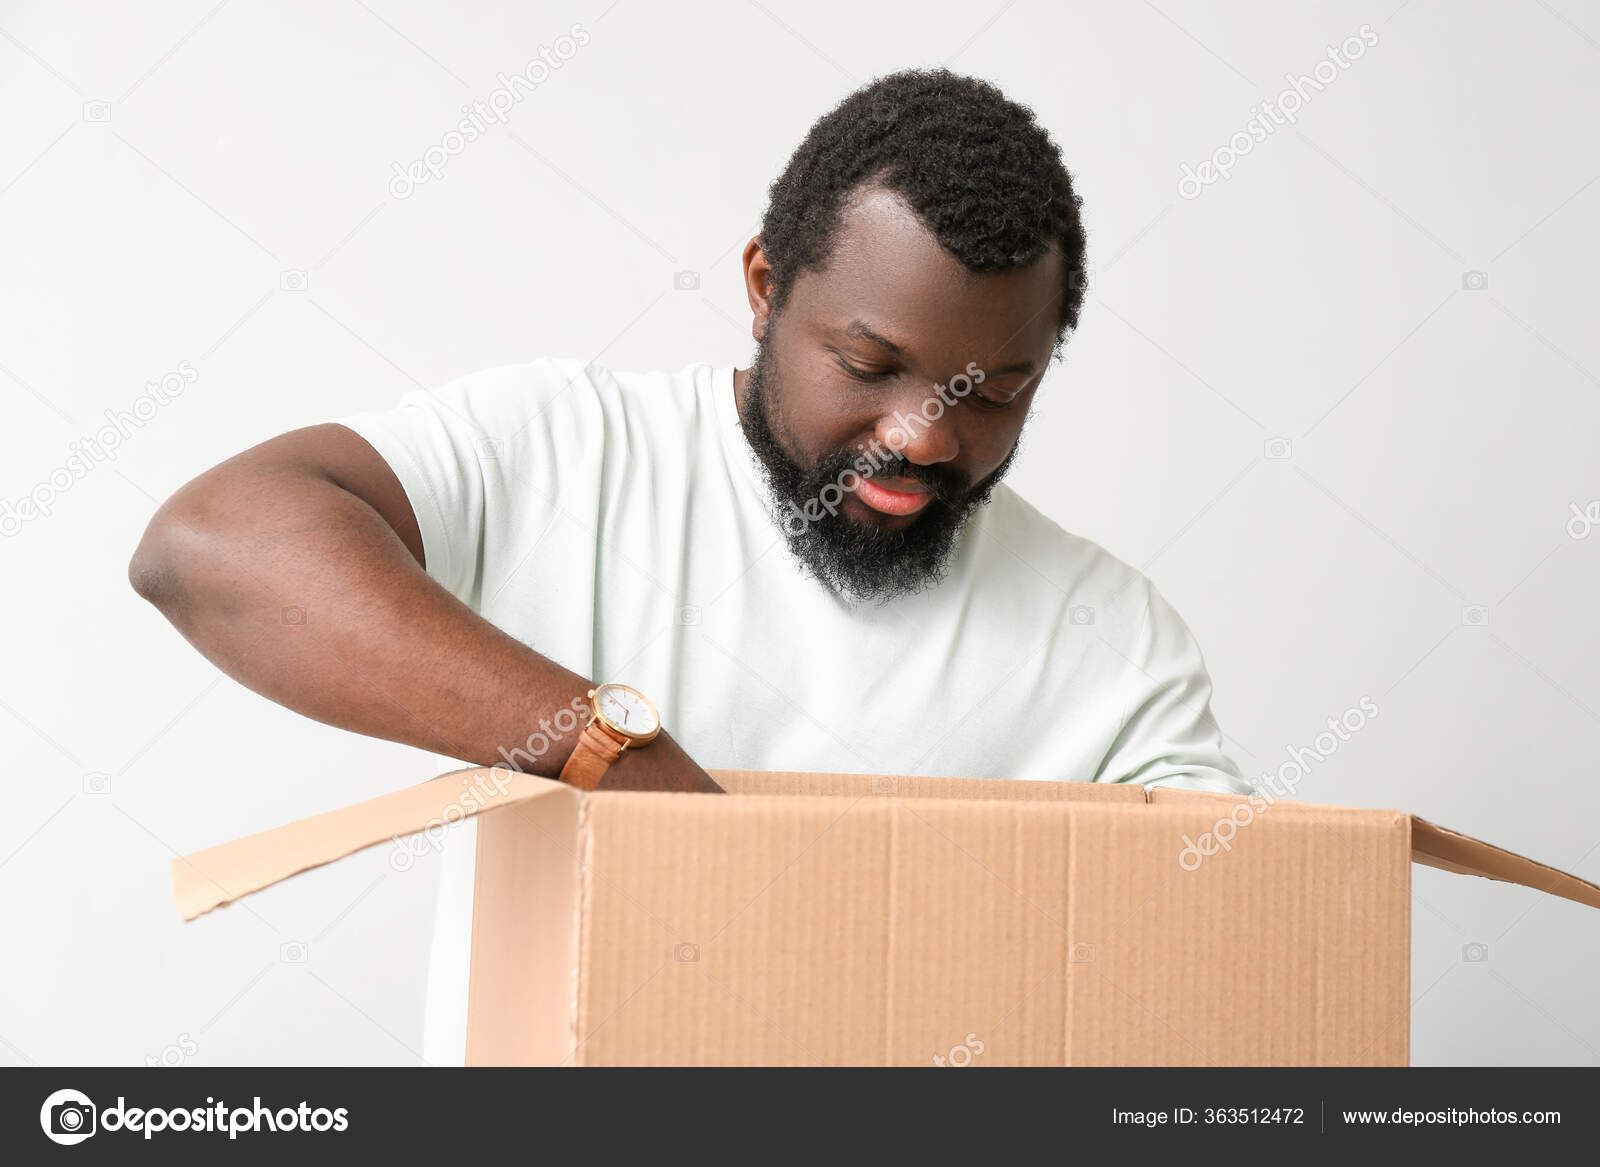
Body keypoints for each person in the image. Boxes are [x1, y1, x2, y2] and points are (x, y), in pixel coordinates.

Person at [131, 68, 1248, 1064]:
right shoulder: (564, 451)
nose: (923, 435)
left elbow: (1238, 966)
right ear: (765, 289)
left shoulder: (1113, 643)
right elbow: (213, 544)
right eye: (869, 363)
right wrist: (624, 764)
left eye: (995, 391)